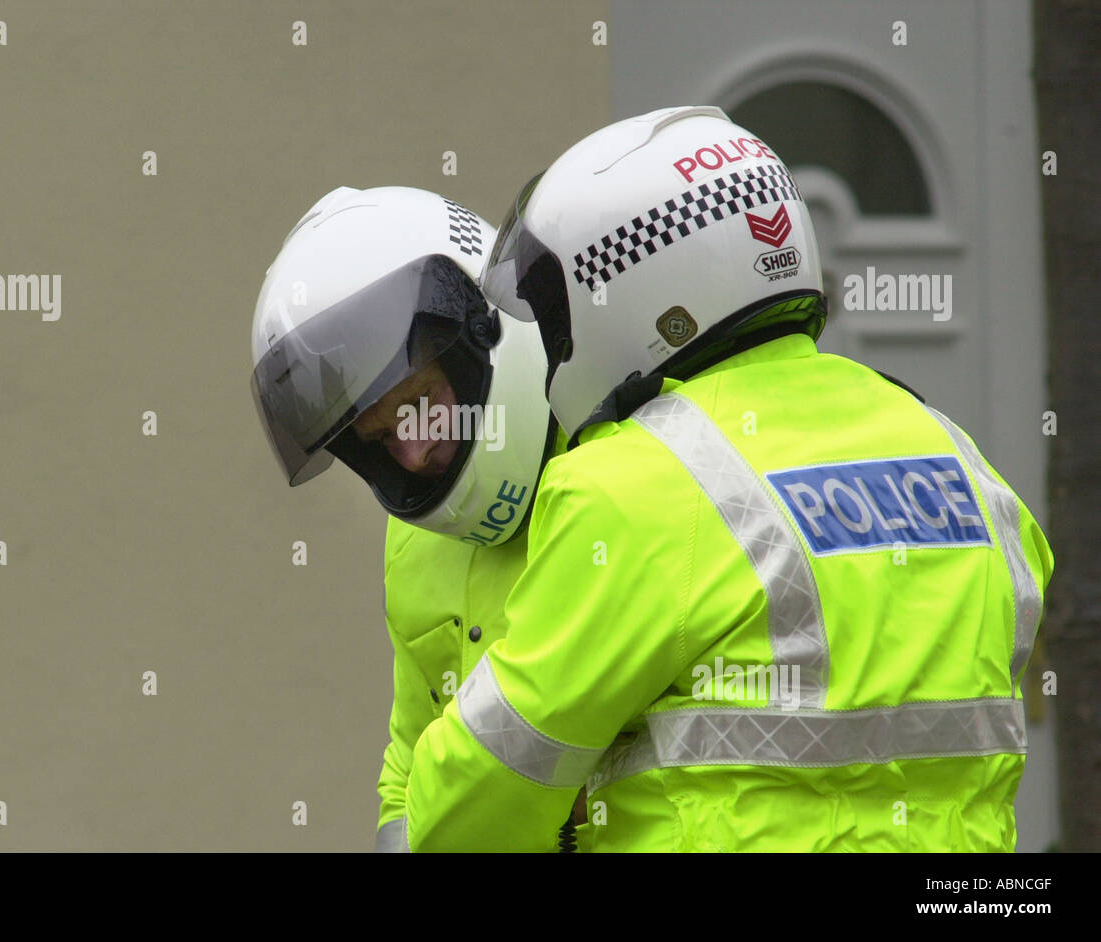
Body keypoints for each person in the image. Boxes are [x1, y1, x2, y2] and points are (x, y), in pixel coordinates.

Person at [399, 106, 1054, 852]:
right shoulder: (958, 457)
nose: (552, 347)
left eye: (555, 315)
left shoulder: (631, 483)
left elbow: (474, 800)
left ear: (633, 284)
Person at [248, 185, 583, 851]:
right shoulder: (412, 545)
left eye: (420, 403)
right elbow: (409, 760)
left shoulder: (621, 476)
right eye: (379, 440)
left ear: (485, 331)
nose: (414, 449)